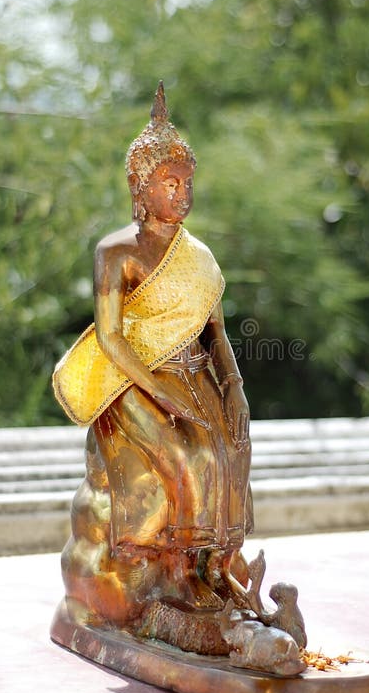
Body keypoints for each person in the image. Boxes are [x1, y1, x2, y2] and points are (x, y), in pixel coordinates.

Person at [53, 82, 252, 627]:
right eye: (170, 183)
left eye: (187, 183)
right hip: (134, 381)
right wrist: (158, 389)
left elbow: (216, 332)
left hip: (196, 377)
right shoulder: (116, 251)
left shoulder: (198, 255)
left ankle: (216, 568)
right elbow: (111, 338)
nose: (182, 195)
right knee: (193, 459)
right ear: (142, 186)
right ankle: (176, 578)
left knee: (231, 446)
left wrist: (234, 388)